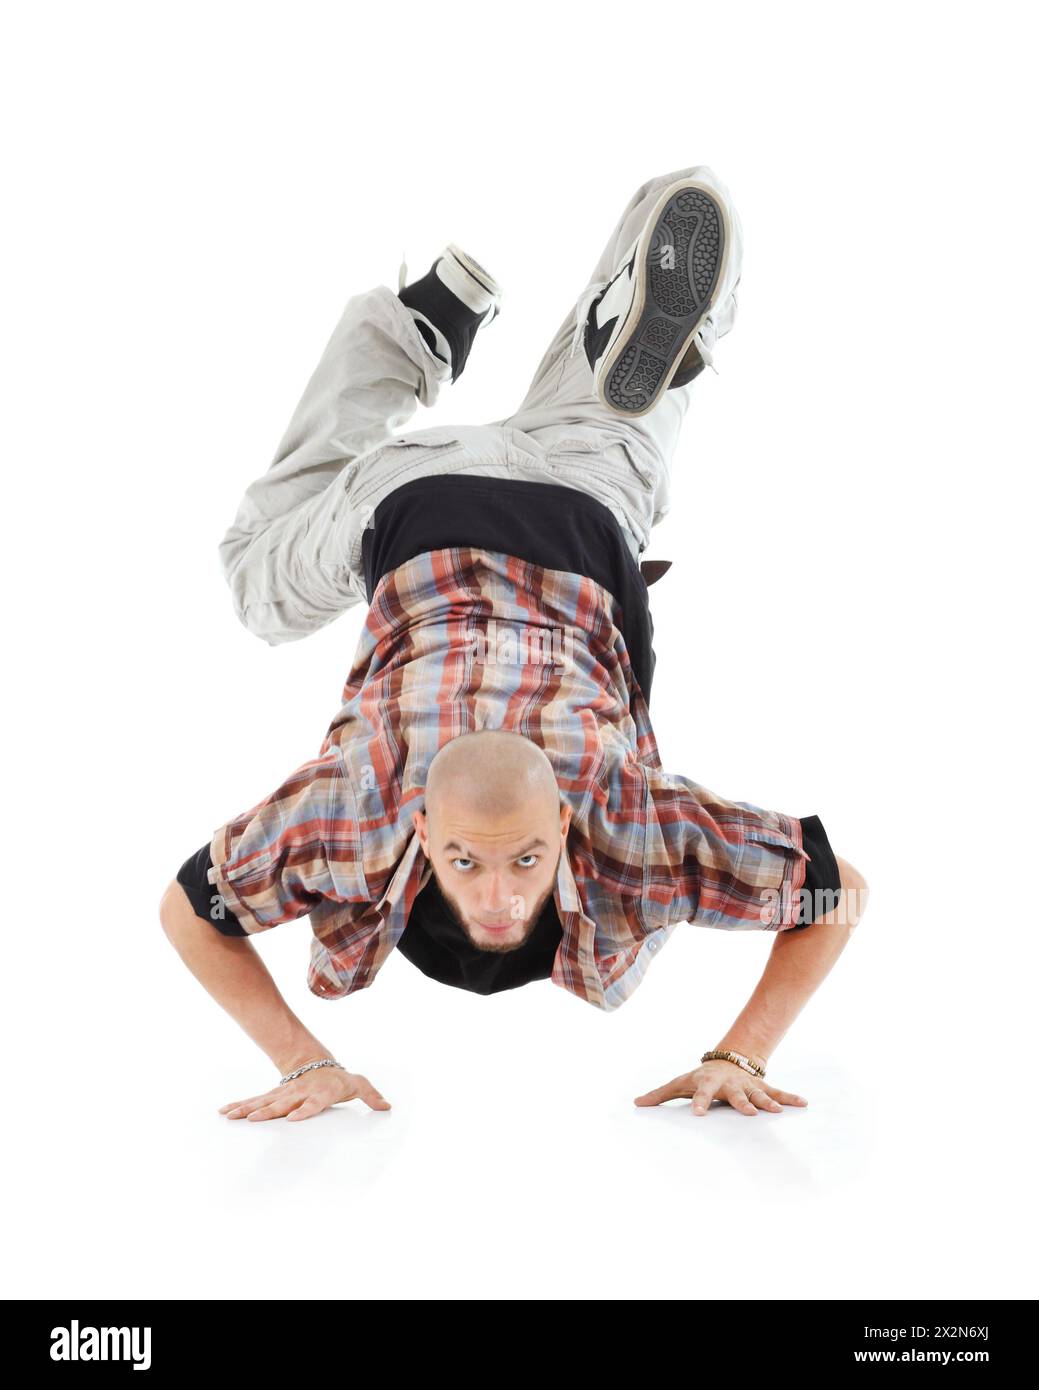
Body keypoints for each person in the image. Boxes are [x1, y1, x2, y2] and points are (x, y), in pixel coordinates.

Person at [159, 164, 870, 1124]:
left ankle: (632, 336)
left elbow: (834, 893)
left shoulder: (628, 828)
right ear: (561, 829)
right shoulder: (354, 809)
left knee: (263, 583)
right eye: (508, 862)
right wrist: (735, 1052)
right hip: (418, 502)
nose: (495, 897)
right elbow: (190, 907)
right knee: (260, 581)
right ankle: (430, 323)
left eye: (489, 863)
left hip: (582, 510)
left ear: (420, 831)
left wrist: (303, 1066)